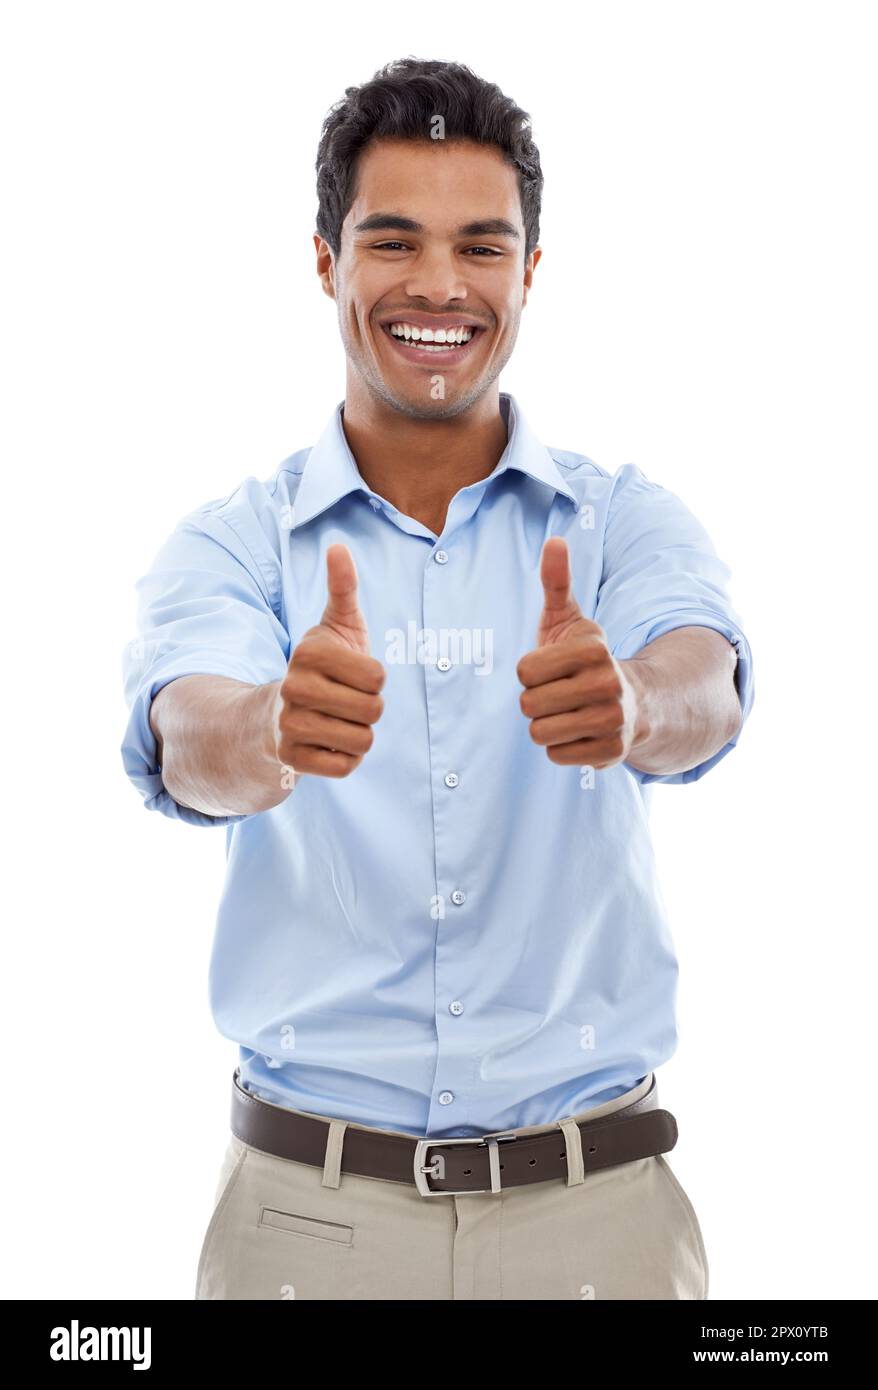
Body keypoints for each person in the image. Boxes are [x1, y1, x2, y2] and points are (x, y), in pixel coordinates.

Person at [120, 57, 754, 1301]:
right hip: (302, 1230)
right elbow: (183, 729)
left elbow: (705, 681)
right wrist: (266, 725)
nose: (437, 286)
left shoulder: (620, 520)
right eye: (392, 239)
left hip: (601, 1231)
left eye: (480, 246)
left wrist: (632, 702)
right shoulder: (233, 543)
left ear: (527, 273)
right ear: (324, 262)